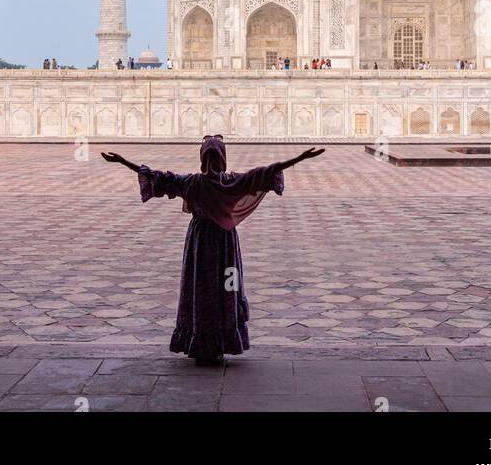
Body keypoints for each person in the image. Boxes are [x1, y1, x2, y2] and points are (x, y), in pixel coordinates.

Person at [102, 135, 324, 365]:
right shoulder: (231, 182)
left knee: (200, 287)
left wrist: (122, 161)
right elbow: (266, 172)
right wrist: (301, 157)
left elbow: (156, 176)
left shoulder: (191, 183)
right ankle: (223, 341)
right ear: (222, 158)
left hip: (199, 245)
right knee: (228, 287)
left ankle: (200, 340)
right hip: (224, 243)